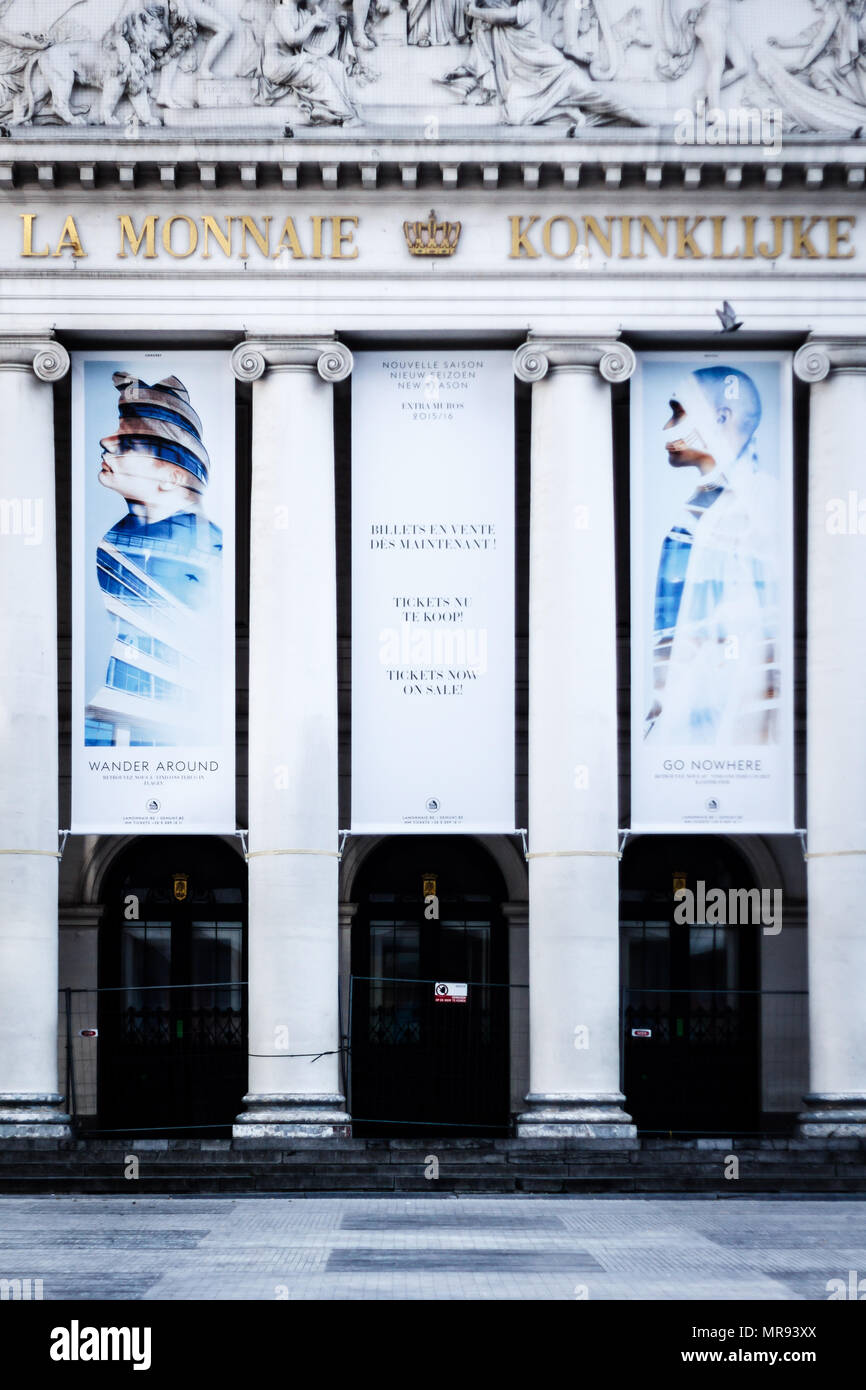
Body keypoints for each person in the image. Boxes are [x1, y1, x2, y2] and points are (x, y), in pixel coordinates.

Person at [645, 366, 780, 747]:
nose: (667, 427)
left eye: (679, 411)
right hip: (686, 709)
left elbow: (767, 633)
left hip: (726, 713)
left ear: (721, 417)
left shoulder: (762, 504)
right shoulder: (697, 508)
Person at [86, 372, 222, 747]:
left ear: (172, 475)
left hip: (176, 725)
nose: (105, 443)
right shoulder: (109, 540)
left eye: (128, 443)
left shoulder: (213, 550)